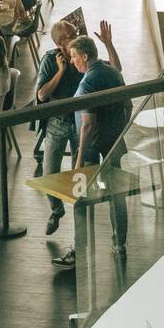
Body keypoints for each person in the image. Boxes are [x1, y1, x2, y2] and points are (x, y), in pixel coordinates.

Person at [37, 19, 121, 237]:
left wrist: (108, 44)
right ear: (58, 43)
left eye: (75, 32)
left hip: (79, 124)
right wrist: (61, 71)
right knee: (48, 174)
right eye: (69, 36)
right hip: (57, 123)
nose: (75, 36)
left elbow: (114, 69)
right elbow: (41, 95)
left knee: (79, 180)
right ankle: (56, 210)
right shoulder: (50, 60)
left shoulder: (82, 58)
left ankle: (80, 239)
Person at [53, 26, 128, 267]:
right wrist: (109, 43)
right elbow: (120, 70)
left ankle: (80, 250)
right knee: (118, 195)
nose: (72, 61)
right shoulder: (109, 71)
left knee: (81, 200)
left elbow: (86, 126)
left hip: (93, 149)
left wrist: (78, 160)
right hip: (115, 142)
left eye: (74, 57)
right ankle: (120, 244)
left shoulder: (87, 83)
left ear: (85, 56)